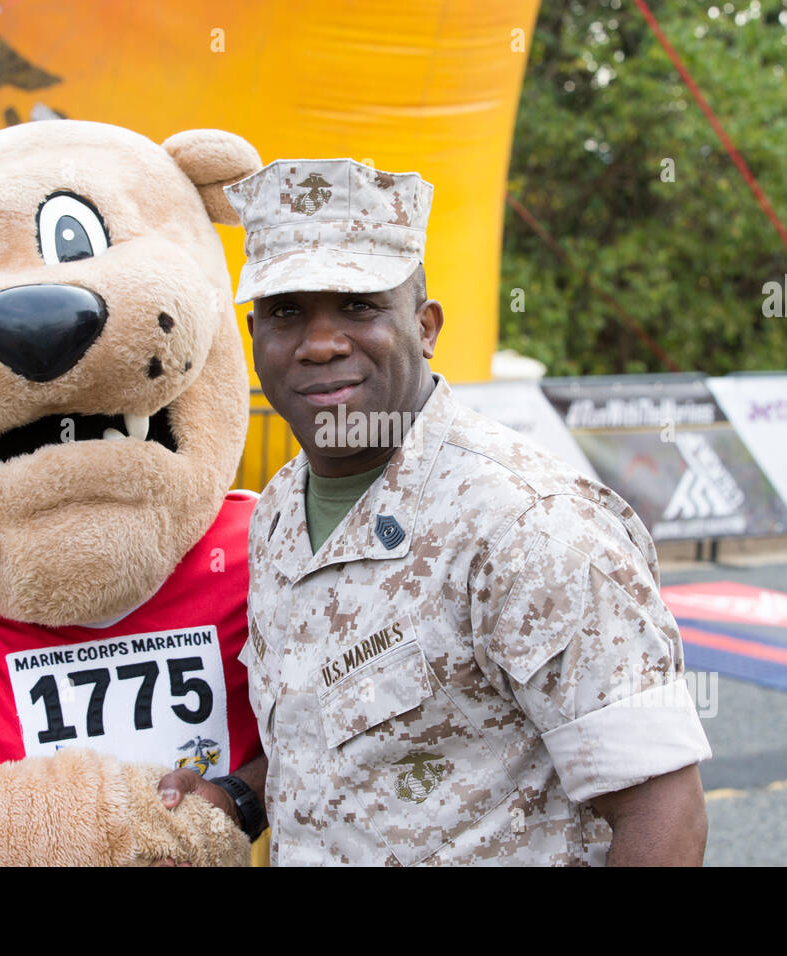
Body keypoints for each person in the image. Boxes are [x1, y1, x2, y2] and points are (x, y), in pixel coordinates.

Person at [224, 159, 712, 866]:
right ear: (255, 336)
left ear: (425, 327)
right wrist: (235, 799)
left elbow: (663, 814)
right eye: (286, 311)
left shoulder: (528, 524)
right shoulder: (277, 514)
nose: (320, 343)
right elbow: (328, 750)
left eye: (359, 306)